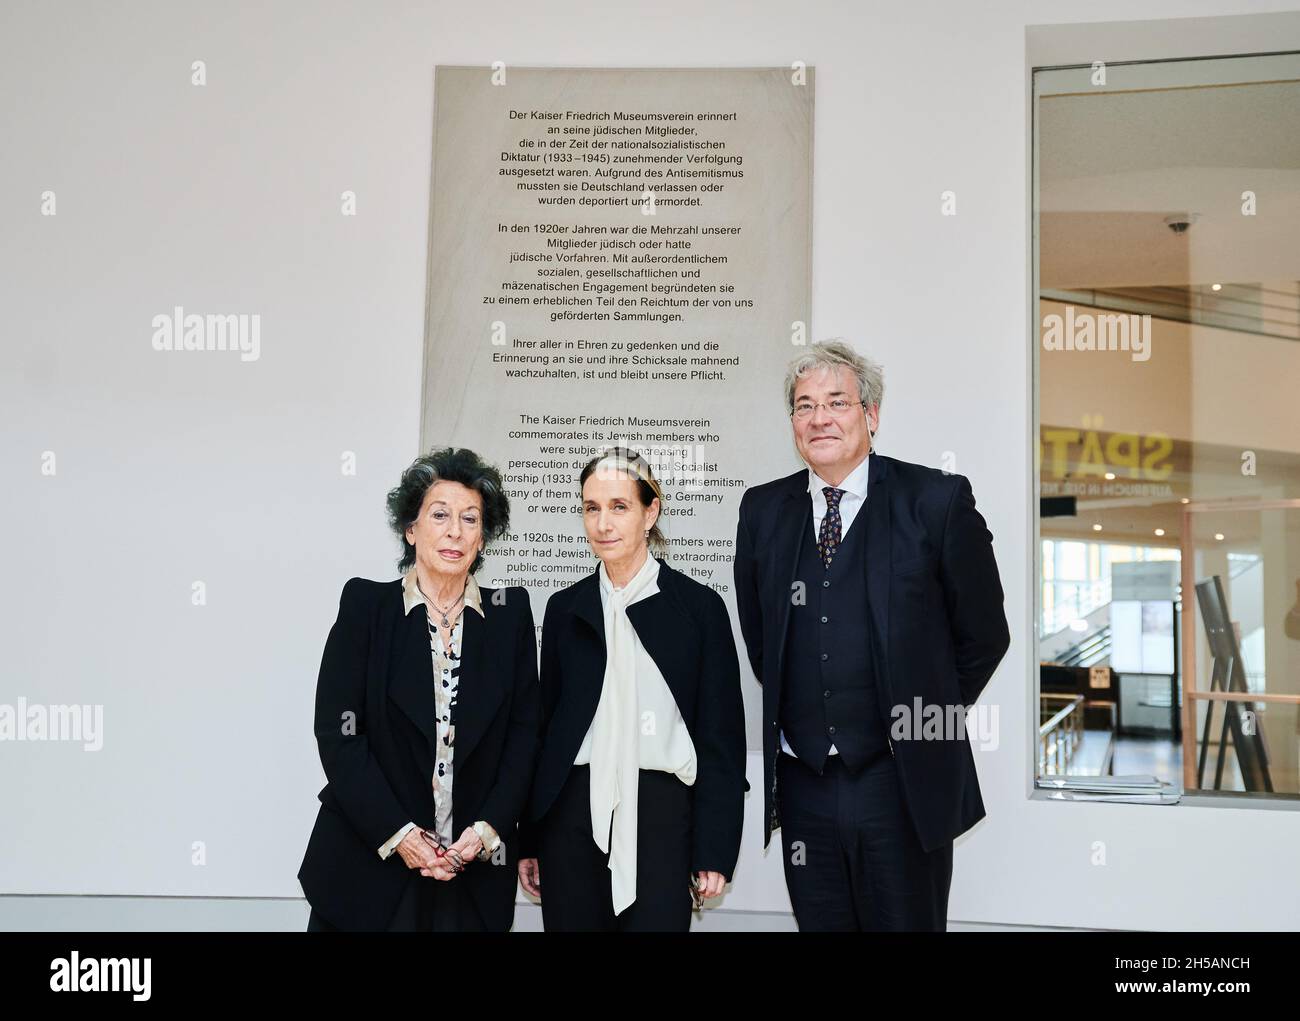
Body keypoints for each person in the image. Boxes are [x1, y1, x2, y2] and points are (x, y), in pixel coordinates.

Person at [733, 340, 1010, 931]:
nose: (819, 418)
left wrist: (923, 716)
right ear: (792, 424)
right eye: (805, 406)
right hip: (805, 784)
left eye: (837, 402)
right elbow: (762, 640)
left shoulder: (935, 501)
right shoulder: (762, 511)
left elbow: (984, 634)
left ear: (871, 416)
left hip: (902, 783)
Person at [297, 447, 539, 930]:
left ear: (483, 537)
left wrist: (488, 829)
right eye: (440, 515)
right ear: (411, 529)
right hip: (370, 866)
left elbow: (524, 737)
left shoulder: (510, 617)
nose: (455, 531)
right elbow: (339, 735)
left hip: (467, 873)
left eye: (471, 519)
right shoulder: (366, 607)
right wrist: (401, 834)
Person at [517, 447, 747, 931]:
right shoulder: (565, 608)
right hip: (571, 814)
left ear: (651, 511)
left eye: (619, 506)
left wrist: (715, 848)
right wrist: (531, 840)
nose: (603, 523)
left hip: (663, 814)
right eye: (591, 507)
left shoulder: (699, 610)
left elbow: (721, 740)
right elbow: (543, 736)